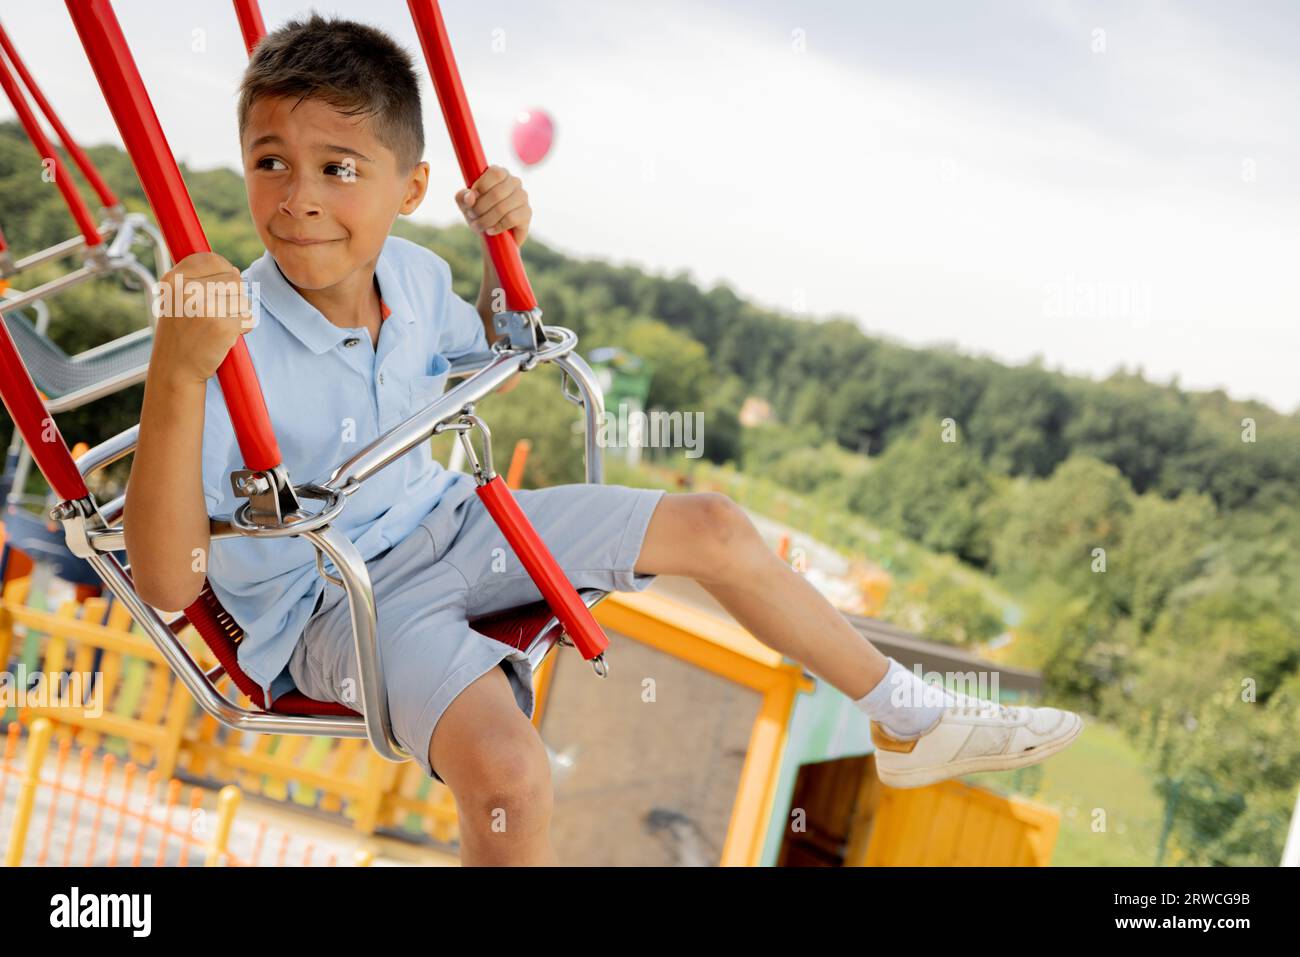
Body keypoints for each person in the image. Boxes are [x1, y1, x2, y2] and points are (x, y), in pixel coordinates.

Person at [123, 13, 1082, 866]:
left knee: (712, 523)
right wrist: (176, 372)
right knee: (511, 778)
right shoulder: (224, 340)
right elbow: (168, 582)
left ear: (411, 187)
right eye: (268, 160)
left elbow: (499, 340)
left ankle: (909, 719)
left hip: (452, 521)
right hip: (343, 601)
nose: (296, 197)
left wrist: (508, 259)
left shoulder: (412, 278)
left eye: (338, 167)